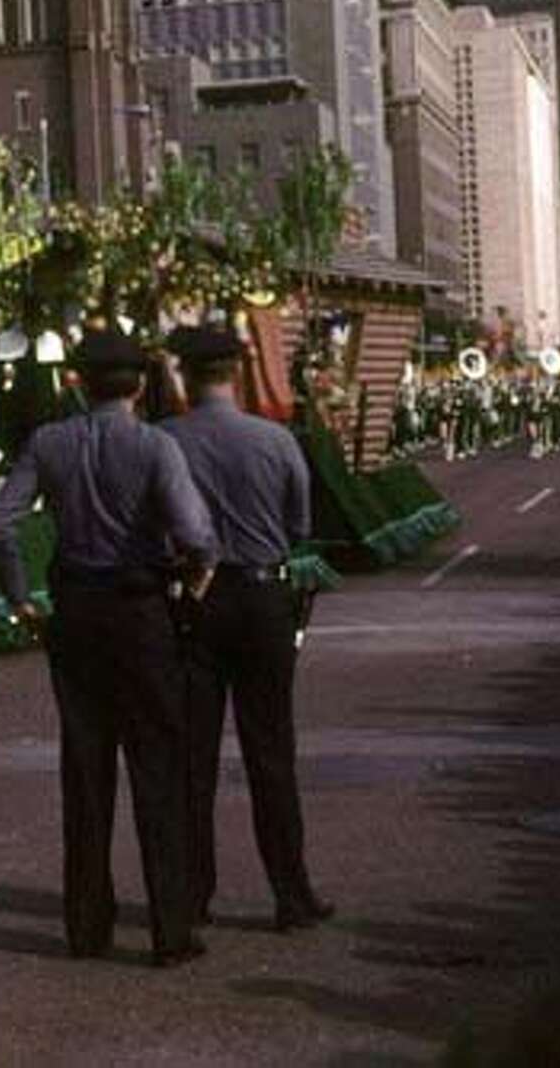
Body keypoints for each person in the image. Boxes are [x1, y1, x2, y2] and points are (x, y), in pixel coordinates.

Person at [0, 328, 219, 968]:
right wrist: (194, 583)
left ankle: (87, 925)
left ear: (77, 384)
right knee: (158, 768)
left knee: (84, 770)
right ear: (140, 385)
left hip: (76, 611)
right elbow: (197, 535)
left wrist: (20, 598)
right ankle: (171, 928)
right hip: (142, 611)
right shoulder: (155, 446)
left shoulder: (49, 443)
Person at [160, 326, 332, 933]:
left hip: (195, 598)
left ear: (183, 373)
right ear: (236, 373)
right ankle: (291, 894)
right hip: (263, 598)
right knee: (271, 752)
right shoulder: (276, 439)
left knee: (191, 760)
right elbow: (299, 525)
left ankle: (192, 894)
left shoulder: (165, 442)